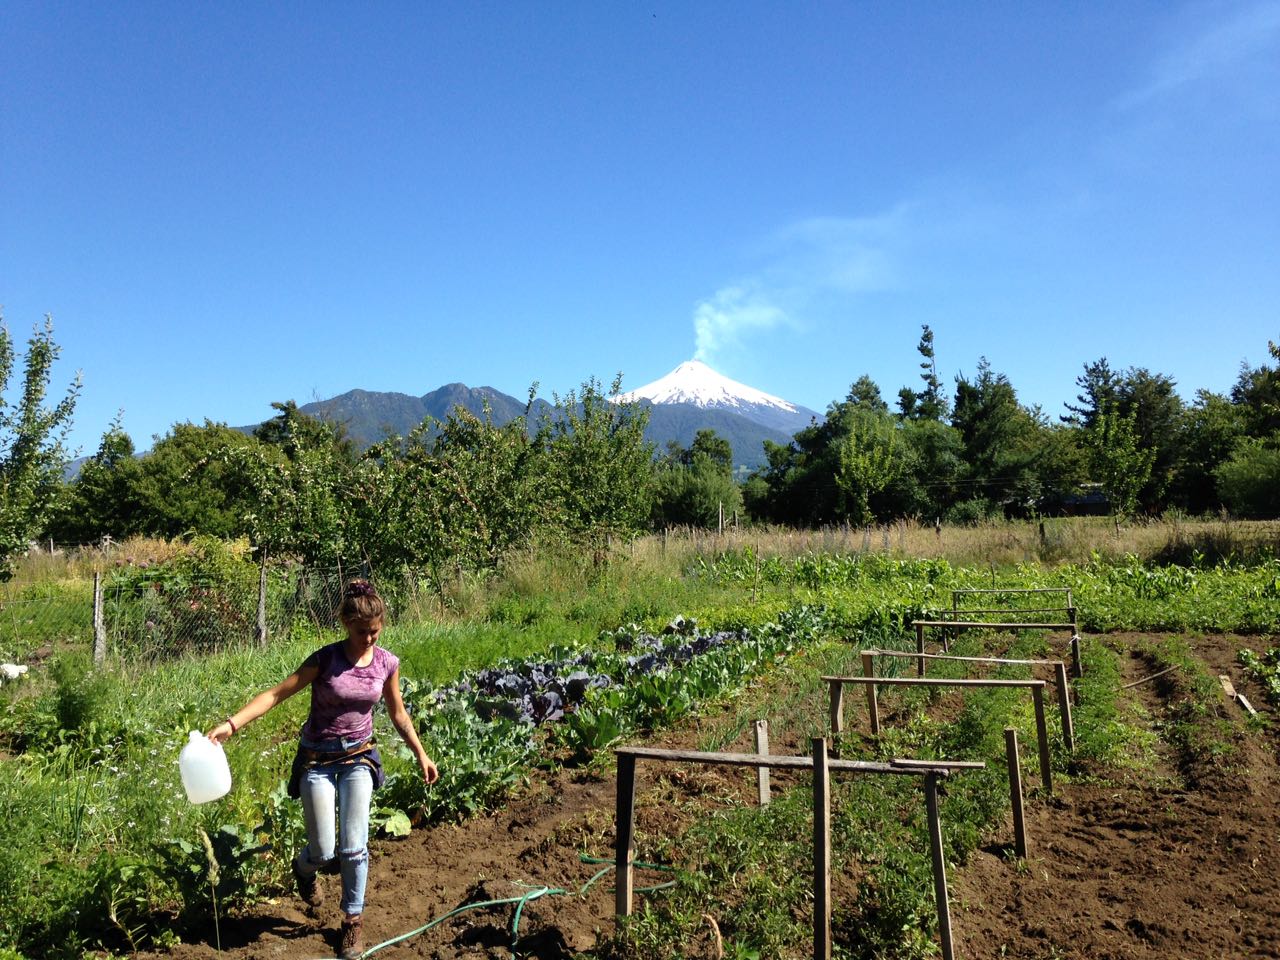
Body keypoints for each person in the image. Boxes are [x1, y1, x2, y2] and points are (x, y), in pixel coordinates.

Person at [207, 579, 439, 960]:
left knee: (353, 846)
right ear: (346, 624)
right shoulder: (325, 660)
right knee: (323, 850)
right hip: (317, 760)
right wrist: (231, 725)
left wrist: (421, 753)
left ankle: (352, 922)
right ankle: (304, 870)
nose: (369, 639)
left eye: (375, 632)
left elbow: (398, 714)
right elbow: (276, 694)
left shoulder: (386, 663)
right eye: (362, 631)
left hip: (359, 758)